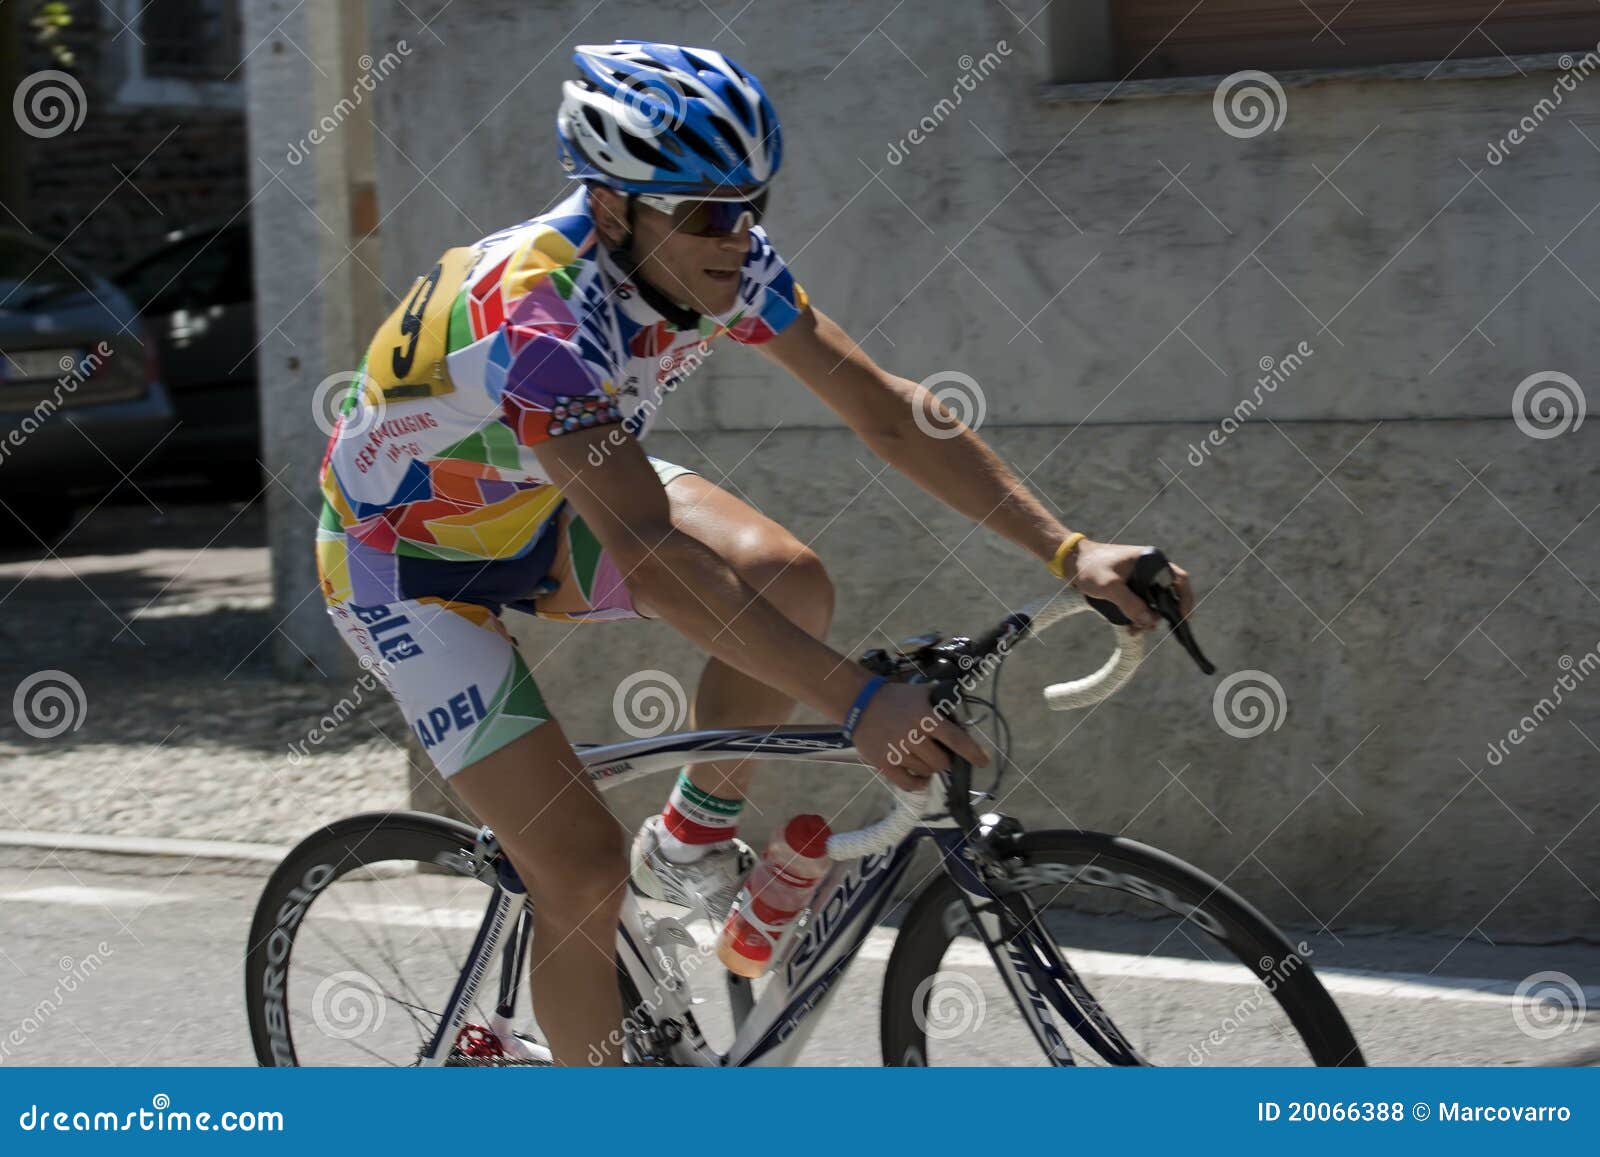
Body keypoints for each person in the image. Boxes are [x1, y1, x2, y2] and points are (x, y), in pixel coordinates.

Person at [314, 40, 1193, 1065]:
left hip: (540, 506)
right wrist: (858, 702)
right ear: (609, 209)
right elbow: (648, 553)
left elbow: (886, 410)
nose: (735, 235)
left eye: (750, 203)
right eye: (701, 212)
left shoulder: (721, 263)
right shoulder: (537, 315)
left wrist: (1068, 548)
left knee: (787, 577)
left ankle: (687, 845)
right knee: (581, 867)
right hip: (406, 566)